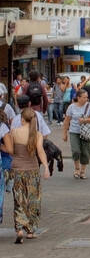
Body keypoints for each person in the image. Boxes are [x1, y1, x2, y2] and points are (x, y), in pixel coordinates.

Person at [1, 104, 49, 243]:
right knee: (33, 200)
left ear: (22, 119)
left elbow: (9, 149)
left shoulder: (14, 132)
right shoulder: (37, 135)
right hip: (32, 170)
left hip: (16, 170)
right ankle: (31, 230)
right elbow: (40, 152)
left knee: (19, 200)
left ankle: (20, 228)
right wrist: (46, 167)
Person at [63, 86, 90, 180]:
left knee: (85, 152)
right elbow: (66, 121)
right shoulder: (71, 107)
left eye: (87, 97)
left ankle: (82, 171)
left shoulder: (89, 106)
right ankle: (77, 169)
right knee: (76, 151)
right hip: (74, 131)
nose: (86, 99)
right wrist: (64, 134)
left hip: (86, 132)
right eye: (84, 97)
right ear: (78, 97)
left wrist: (85, 120)